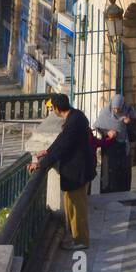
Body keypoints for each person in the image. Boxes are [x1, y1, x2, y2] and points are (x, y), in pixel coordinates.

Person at [29, 93, 96, 251]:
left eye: (52, 108)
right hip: (79, 171)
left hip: (77, 172)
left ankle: (81, 241)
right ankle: (76, 237)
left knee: (76, 207)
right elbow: (61, 139)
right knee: (71, 205)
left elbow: (62, 147)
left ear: (57, 109)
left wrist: (41, 165)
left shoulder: (73, 124)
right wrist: (47, 151)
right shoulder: (77, 116)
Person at [95, 94, 136, 194]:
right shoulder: (106, 112)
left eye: (118, 109)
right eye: (114, 108)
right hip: (110, 148)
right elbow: (99, 126)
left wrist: (129, 123)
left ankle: (123, 194)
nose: (116, 111)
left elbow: (134, 135)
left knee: (123, 174)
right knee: (109, 174)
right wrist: (107, 132)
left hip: (123, 148)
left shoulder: (129, 112)